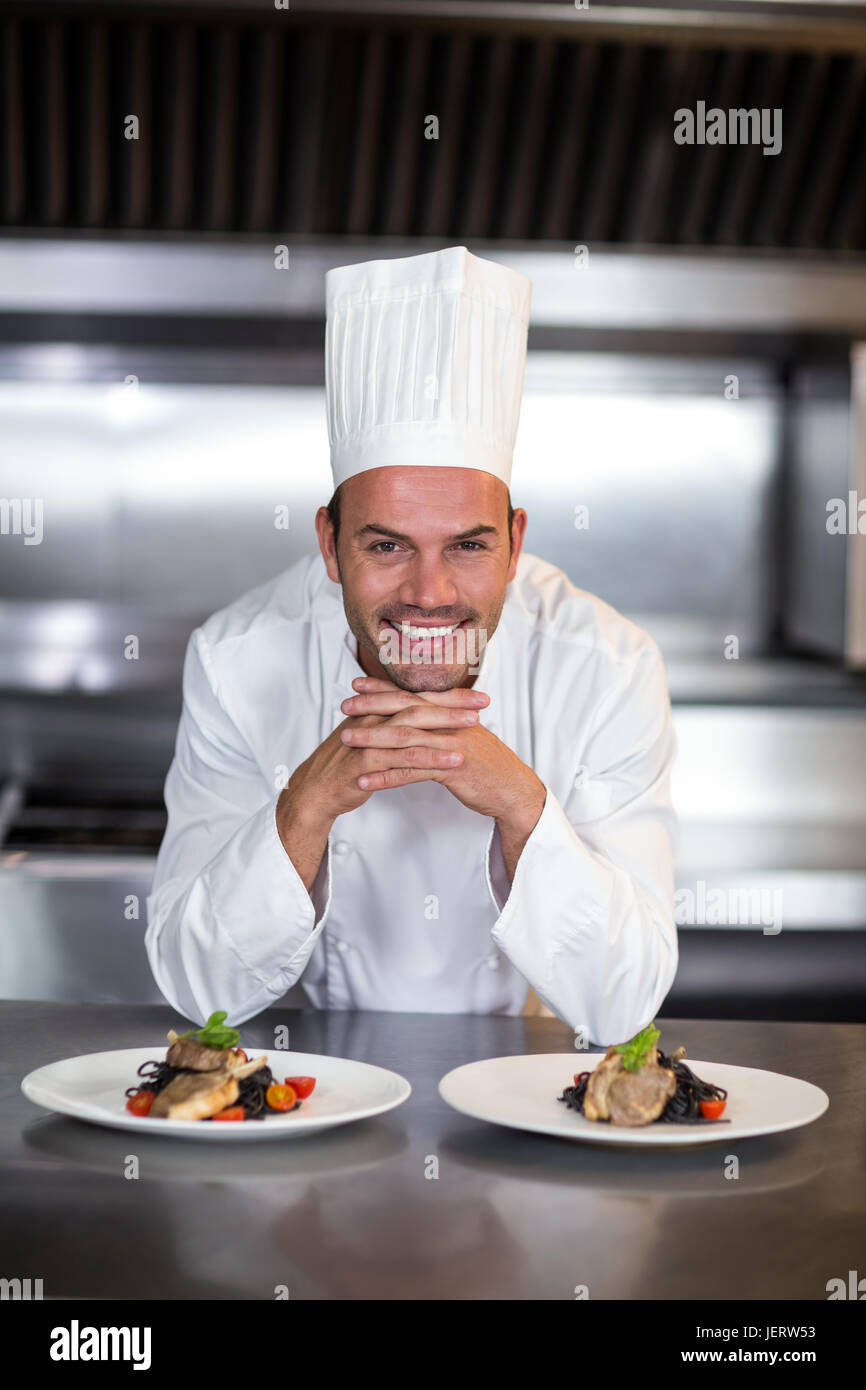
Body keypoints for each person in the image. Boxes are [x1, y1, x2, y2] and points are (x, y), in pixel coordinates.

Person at [145, 246, 678, 1042]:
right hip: (319, 1090)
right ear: (330, 545)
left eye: (467, 546)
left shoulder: (606, 666)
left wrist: (519, 805)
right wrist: (308, 804)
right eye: (387, 546)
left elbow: (623, 1001)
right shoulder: (238, 661)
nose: (429, 595)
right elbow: (201, 990)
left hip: (523, 1099)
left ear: (514, 541)